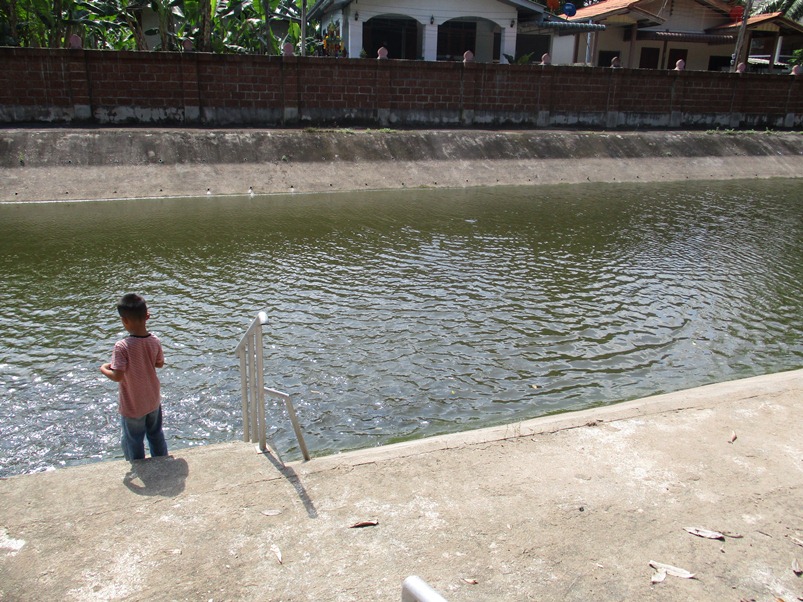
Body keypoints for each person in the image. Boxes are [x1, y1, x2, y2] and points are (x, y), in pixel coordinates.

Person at [101, 293, 167, 461]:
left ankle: (137, 464)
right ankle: (162, 460)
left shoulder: (122, 346)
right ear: (147, 316)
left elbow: (118, 376)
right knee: (156, 433)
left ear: (124, 320)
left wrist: (103, 369)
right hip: (153, 399)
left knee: (133, 439)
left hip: (133, 403)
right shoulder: (155, 341)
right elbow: (159, 363)